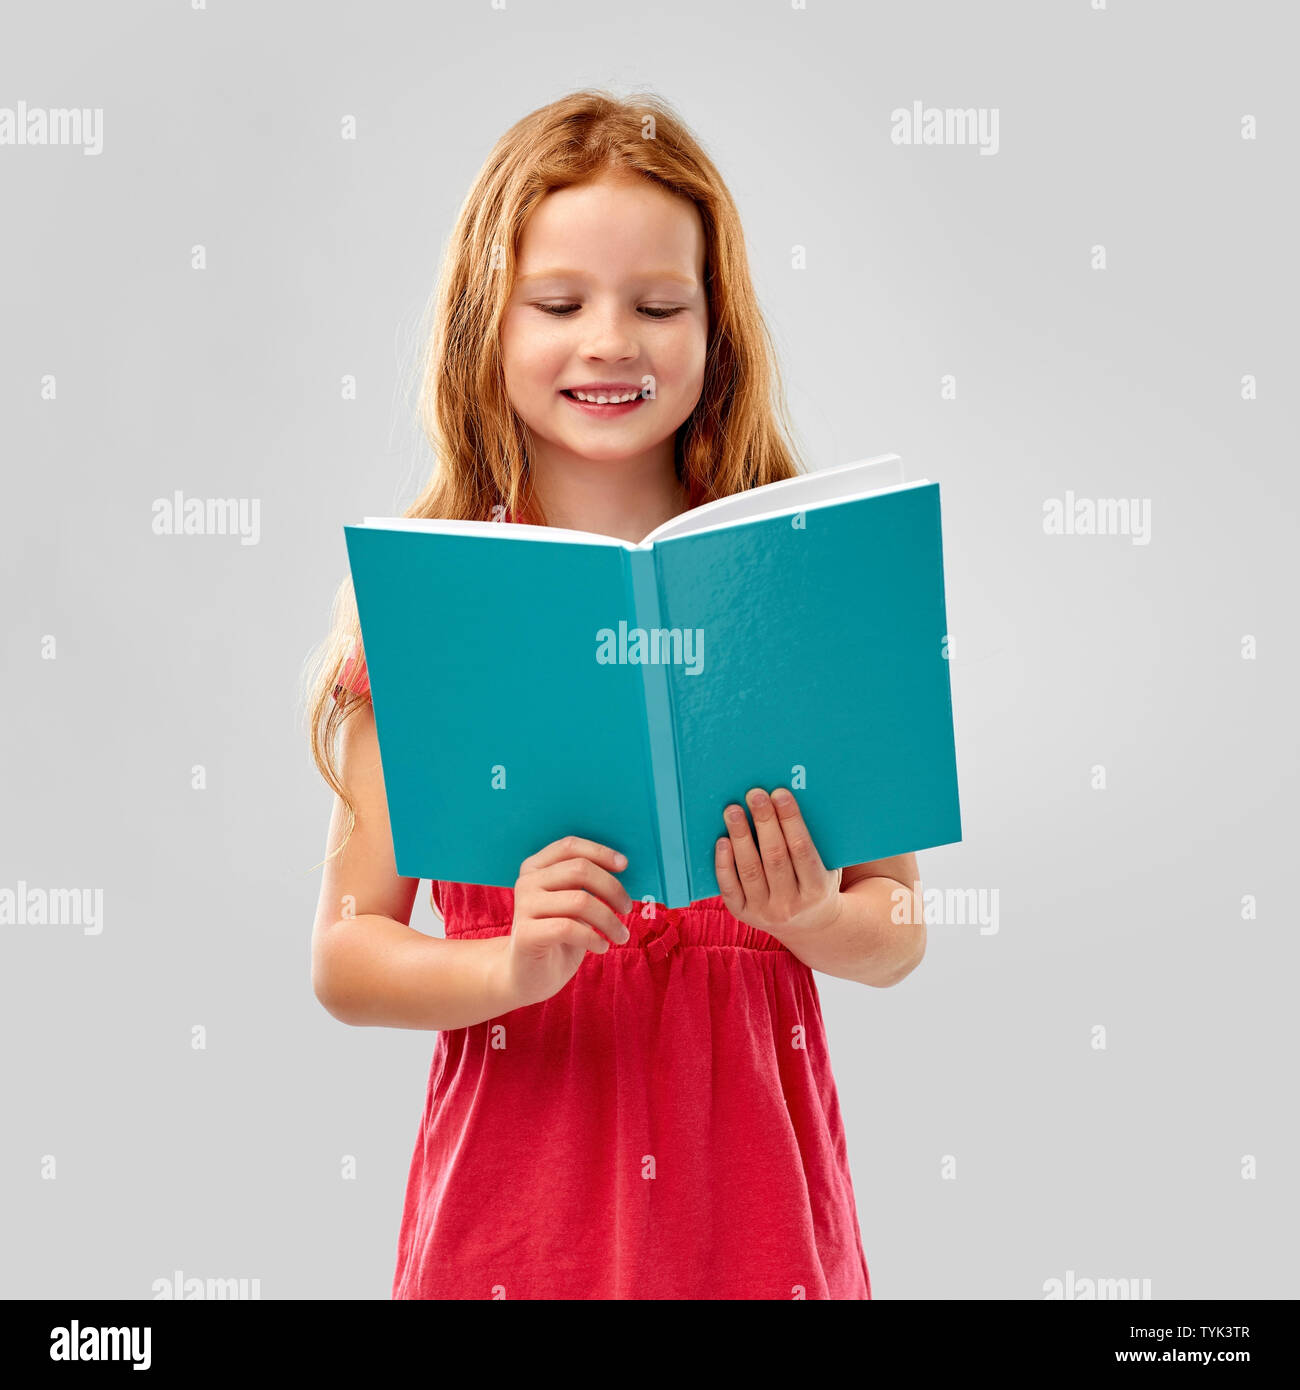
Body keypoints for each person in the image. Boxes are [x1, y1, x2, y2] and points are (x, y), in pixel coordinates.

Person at [306, 89, 926, 1300]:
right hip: (517, 1234)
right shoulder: (435, 611)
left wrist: (808, 915)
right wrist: (507, 969)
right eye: (559, 304)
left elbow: (899, 933)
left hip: (754, 1235)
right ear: (488, 325)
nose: (612, 341)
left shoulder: (809, 590)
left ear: (717, 329)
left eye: (657, 305)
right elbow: (346, 953)